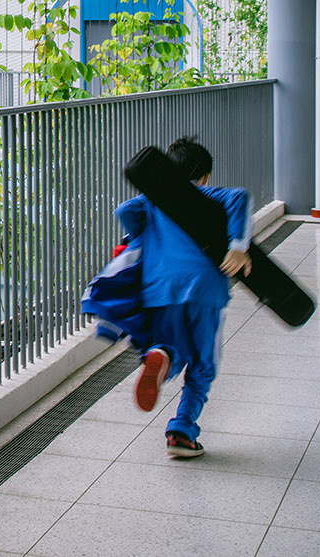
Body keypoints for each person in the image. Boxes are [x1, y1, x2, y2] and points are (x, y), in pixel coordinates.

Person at [105, 137, 251, 459]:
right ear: (205, 176)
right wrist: (238, 246)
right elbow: (239, 197)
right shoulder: (205, 195)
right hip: (204, 289)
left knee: (170, 346)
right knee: (203, 363)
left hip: (159, 289)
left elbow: (125, 209)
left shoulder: (152, 201)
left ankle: (162, 354)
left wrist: (142, 235)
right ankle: (182, 430)